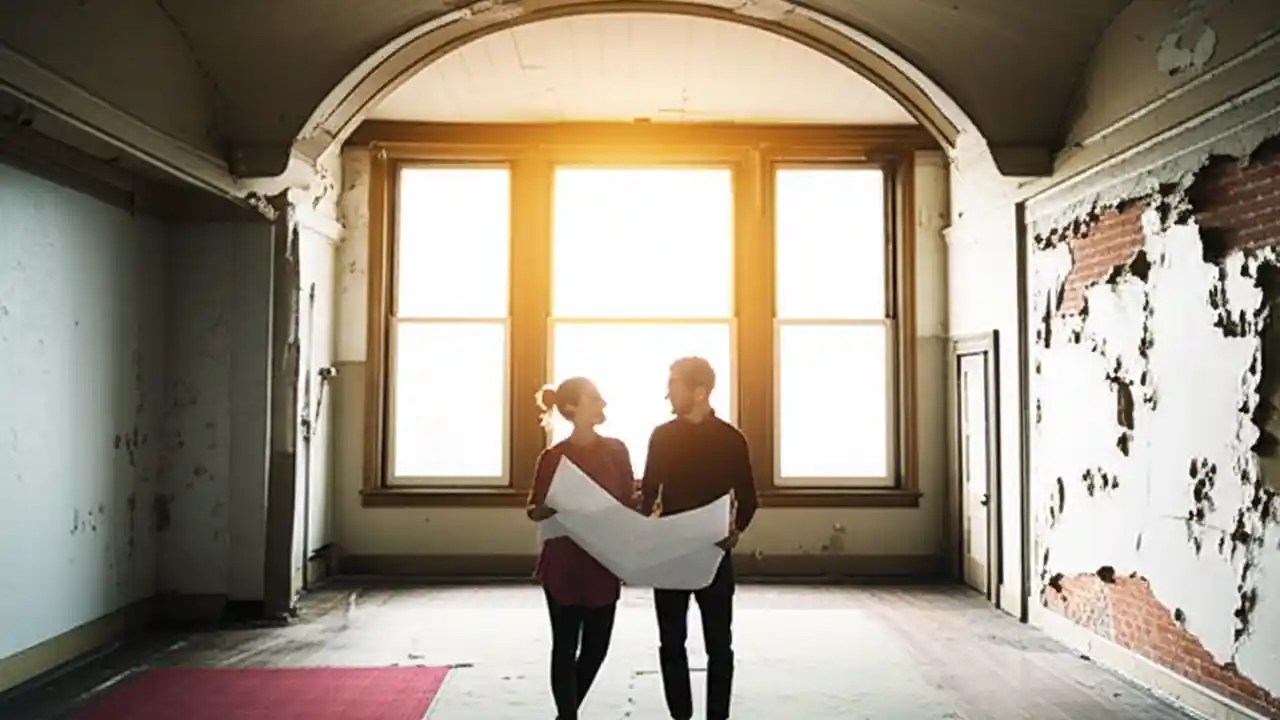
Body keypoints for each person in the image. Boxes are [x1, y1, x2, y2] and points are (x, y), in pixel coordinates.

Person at [640, 356, 758, 720]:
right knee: (671, 643)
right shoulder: (662, 436)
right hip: (672, 552)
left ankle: (717, 717)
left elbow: (749, 497)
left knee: (719, 645)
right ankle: (681, 715)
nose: (667, 393)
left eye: (674, 384)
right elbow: (647, 494)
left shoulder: (731, 439)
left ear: (700, 391)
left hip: (714, 552)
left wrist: (736, 530)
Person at [527, 377, 637, 720]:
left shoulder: (616, 450)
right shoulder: (553, 457)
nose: (603, 403)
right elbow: (534, 508)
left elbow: (629, 499)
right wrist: (564, 504)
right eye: (595, 398)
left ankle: (565, 714)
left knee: (596, 647)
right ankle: (568, 716)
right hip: (565, 561)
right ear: (572, 408)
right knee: (564, 644)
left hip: (602, 558)